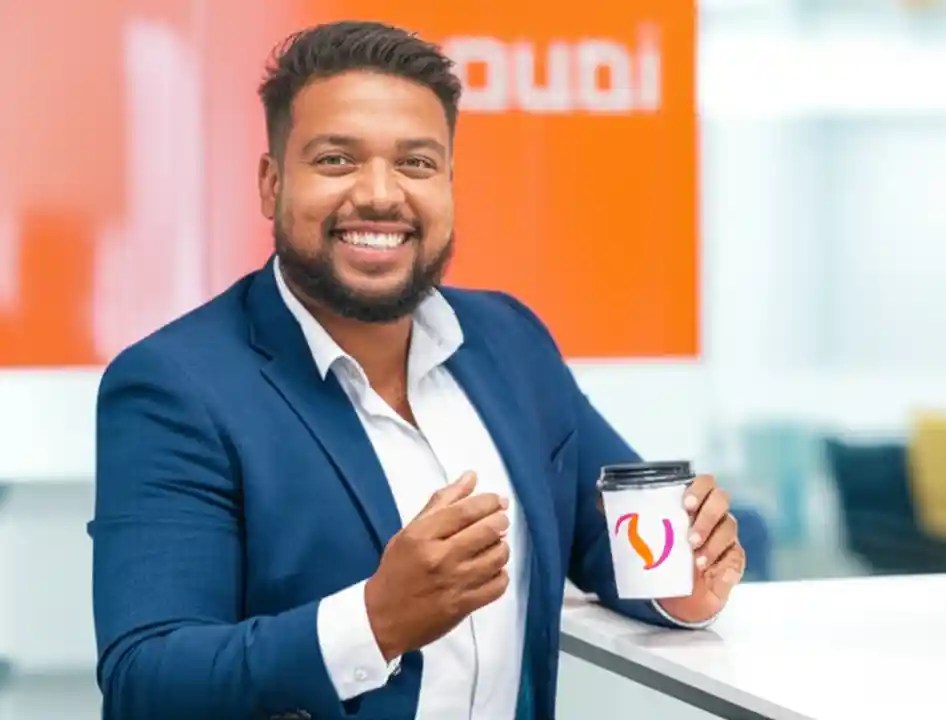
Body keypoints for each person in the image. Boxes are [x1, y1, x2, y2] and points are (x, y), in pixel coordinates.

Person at [89, 19, 745, 720]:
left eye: (416, 163)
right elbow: (147, 678)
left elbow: (607, 539)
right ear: (271, 182)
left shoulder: (509, 341)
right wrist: (373, 622)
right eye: (337, 160)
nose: (380, 194)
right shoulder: (174, 387)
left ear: (450, 183)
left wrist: (681, 579)